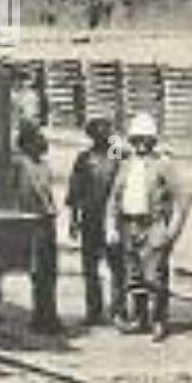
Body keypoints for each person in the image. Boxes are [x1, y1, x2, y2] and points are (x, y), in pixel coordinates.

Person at [106, 113, 188, 341]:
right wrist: (112, 227)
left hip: (153, 225)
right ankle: (141, 318)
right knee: (134, 277)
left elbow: (183, 202)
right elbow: (114, 197)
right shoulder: (125, 164)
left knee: (155, 277)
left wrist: (171, 233)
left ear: (153, 141)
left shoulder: (164, 165)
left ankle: (160, 320)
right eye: (136, 139)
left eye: (146, 139)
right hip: (129, 225)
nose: (141, 144)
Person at [65, 117, 124, 326]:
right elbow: (74, 191)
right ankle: (94, 310)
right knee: (90, 268)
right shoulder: (84, 158)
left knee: (118, 266)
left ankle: (119, 309)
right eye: (98, 132)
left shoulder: (117, 156)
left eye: (107, 131)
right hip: (90, 218)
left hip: (112, 219)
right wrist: (73, 220)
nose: (103, 135)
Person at [12, 120, 61, 334]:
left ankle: (48, 315)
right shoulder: (19, 164)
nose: (43, 143)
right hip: (30, 223)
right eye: (37, 139)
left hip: (46, 221)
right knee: (38, 272)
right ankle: (41, 317)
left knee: (49, 272)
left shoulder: (43, 165)